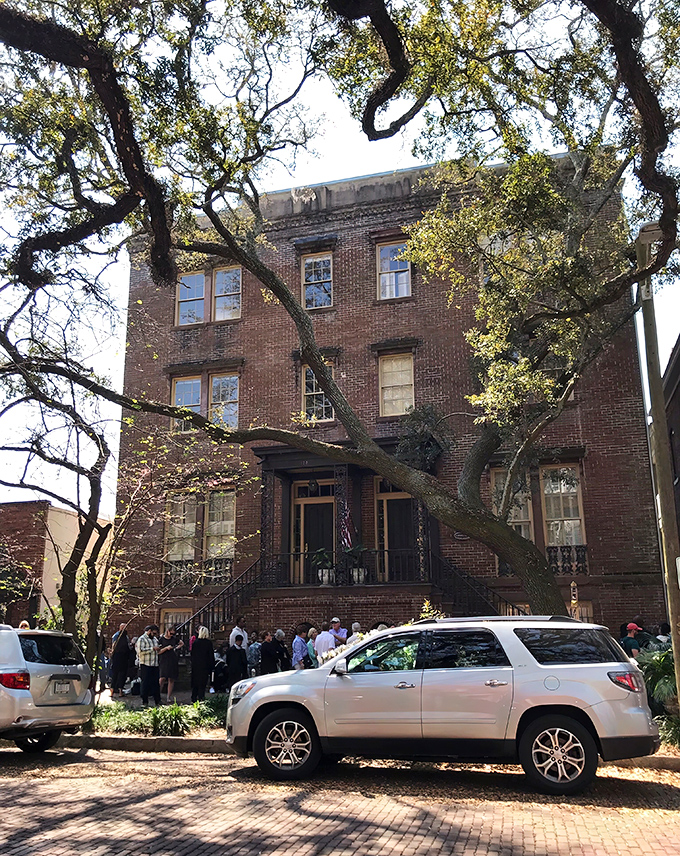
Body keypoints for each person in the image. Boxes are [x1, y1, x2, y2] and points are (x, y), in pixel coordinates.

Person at [135, 624, 162, 707]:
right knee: (145, 683)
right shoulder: (142, 639)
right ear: (149, 631)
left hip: (154, 664)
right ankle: (145, 701)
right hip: (145, 664)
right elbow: (140, 651)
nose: (154, 635)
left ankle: (157, 701)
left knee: (155, 683)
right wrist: (152, 649)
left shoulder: (154, 639)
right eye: (153, 633)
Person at [158, 625, 184, 701]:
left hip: (172, 659)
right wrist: (166, 648)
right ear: (167, 631)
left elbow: (181, 643)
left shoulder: (174, 639)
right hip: (164, 659)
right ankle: (158, 694)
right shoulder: (161, 639)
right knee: (162, 678)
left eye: (173, 634)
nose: (172, 635)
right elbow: (158, 652)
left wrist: (176, 648)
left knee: (171, 678)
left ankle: (168, 697)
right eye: (171, 633)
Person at [190, 626, 215, 702]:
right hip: (205, 666)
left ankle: (194, 697)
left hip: (196, 666)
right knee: (203, 683)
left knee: (195, 683)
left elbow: (192, 655)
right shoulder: (208, 643)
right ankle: (201, 697)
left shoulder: (195, 643)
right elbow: (210, 656)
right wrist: (212, 666)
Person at [110, 626, 132, 697]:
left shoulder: (124, 637)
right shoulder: (118, 636)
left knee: (117, 675)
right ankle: (118, 691)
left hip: (120, 658)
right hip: (120, 657)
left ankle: (115, 691)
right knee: (119, 675)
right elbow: (114, 646)